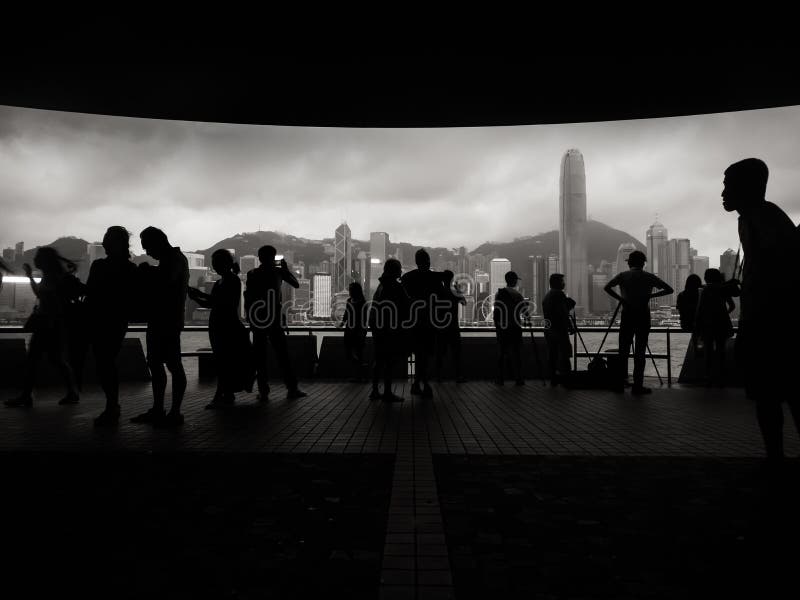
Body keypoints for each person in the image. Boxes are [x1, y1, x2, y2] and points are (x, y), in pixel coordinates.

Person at [721, 157, 800, 463]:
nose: (723, 192)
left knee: (777, 395)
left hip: (773, 326)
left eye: (729, 184)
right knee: (774, 396)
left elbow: (780, 271)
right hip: (766, 321)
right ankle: (775, 456)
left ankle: (776, 458)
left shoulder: (763, 218)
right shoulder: (755, 218)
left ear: (751, 187)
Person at [5, 247, 83, 407]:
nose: (34, 260)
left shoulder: (53, 278)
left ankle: (28, 396)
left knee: (37, 359)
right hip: (51, 324)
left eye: (37, 257)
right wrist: (30, 277)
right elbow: (41, 294)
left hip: (49, 324)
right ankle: (71, 393)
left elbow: (50, 300)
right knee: (55, 360)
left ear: (45, 260)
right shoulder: (51, 276)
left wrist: (29, 277)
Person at [130, 227, 189, 427]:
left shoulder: (173, 260)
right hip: (164, 319)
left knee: (171, 364)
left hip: (167, 320)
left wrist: (147, 271)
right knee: (159, 364)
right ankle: (164, 410)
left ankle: (172, 411)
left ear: (158, 242)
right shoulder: (174, 259)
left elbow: (165, 282)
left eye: (147, 247)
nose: (147, 252)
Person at [84, 226, 138, 426]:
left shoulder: (99, 266)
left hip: (101, 321)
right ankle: (112, 404)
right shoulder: (131, 269)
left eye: (107, 240)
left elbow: (91, 293)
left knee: (104, 362)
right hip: (117, 321)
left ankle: (112, 405)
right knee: (106, 362)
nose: (105, 243)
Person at [188, 249, 255, 409]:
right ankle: (226, 394)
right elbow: (214, 302)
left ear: (226, 264)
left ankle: (221, 395)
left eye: (217, 263)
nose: (215, 267)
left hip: (226, 326)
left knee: (224, 361)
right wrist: (197, 296)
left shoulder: (231, 281)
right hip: (222, 325)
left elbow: (216, 303)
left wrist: (197, 296)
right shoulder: (225, 281)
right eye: (214, 264)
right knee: (224, 361)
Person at [604, 250, 673, 395]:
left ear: (629, 263)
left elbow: (607, 287)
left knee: (623, 351)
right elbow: (669, 290)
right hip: (643, 316)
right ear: (643, 263)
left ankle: (619, 384)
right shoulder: (649, 277)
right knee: (640, 352)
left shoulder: (623, 276)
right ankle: (638, 385)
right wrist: (651, 295)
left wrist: (621, 299)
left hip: (627, 315)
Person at [244, 245, 306, 400]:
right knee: (283, 355)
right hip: (274, 319)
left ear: (259, 258)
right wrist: (285, 269)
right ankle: (292, 388)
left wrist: (251, 318)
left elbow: (248, 297)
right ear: (273, 257)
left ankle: (263, 391)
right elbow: (296, 284)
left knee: (260, 357)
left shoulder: (252, 273)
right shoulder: (278, 272)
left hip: (258, 320)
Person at [401, 249, 445, 398]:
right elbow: (443, 295)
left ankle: (419, 383)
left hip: (413, 323)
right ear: (428, 261)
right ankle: (423, 383)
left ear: (416, 261)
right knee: (425, 354)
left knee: (419, 354)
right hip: (430, 322)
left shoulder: (407, 278)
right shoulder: (435, 279)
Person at [369, 259, 410, 401]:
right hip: (390, 329)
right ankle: (387, 392)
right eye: (399, 269)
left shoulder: (380, 286)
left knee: (379, 359)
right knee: (389, 361)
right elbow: (407, 304)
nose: (400, 271)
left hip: (378, 329)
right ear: (395, 271)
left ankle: (375, 390)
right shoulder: (395, 286)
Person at [695, 268, 735, 387]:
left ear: (707, 278)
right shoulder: (723, 289)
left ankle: (708, 377)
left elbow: (700, 309)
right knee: (721, 350)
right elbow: (732, 306)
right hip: (722, 323)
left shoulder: (705, 290)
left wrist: (697, 324)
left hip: (708, 324)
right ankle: (721, 376)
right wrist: (723, 313)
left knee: (708, 351)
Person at [493, 271, 528, 386]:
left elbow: (496, 311)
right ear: (514, 281)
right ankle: (518, 378)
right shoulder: (517, 295)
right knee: (517, 353)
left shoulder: (499, 294)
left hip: (502, 328)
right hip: (515, 327)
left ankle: (500, 378)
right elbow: (525, 312)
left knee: (501, 353)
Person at [542, 273, 576, 386]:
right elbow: (563, 312)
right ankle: (567, 379)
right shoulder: (559, 294)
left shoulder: (547, 296)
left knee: (552, 355)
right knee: (565, 354)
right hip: (559, 329)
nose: (564, 283)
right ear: (556, 283)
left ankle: (553, 379)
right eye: (562, 281)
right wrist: (570, 325)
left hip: (548, 329)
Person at [434, 270, 466, 383]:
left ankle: (438, 377)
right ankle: (458, 376)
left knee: (440, 353)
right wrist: (457, 289)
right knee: (456, 353)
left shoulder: (438, 291)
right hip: (453, 326)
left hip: (441, 327)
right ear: (452, 279)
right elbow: (464, 302)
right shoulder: (454, 292)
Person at [339, 281, 368, 382]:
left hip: (357, 330)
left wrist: (362, 331)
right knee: (352, 352)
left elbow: (363, 318)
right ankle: (360, 373)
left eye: (351, 289)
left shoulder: (361, 303)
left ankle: (359, 375)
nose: (349, 291)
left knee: (357, 353)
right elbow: (346, 314)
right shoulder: (351, 301)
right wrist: (343, 322)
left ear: (355, 291)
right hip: (351, 330)